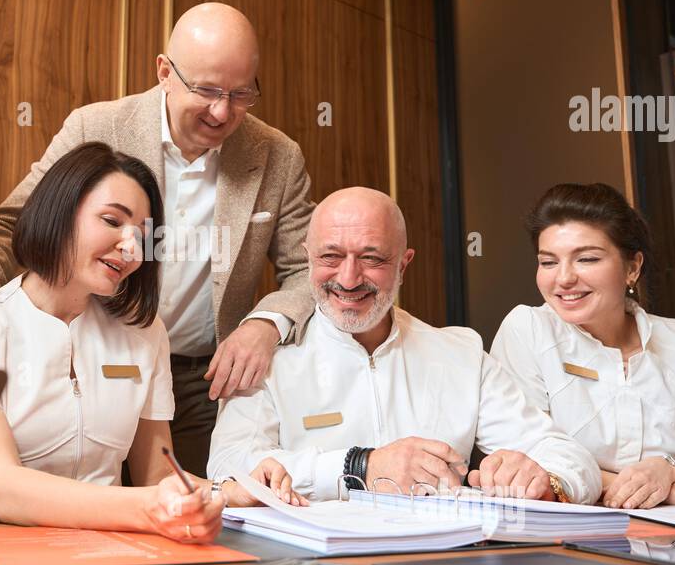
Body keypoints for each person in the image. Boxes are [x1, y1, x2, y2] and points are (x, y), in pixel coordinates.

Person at [0, 2, 315, 477]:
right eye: (207, 90)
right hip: (96, 347)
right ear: (164, 72)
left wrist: (266, 325)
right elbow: (16, 220)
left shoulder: (277, 155)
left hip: (201, 376)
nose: (222, 111)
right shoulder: (97, 126)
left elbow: (308, 268)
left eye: (241, 94)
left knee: (184, 513)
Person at [0, 142, 303, 563]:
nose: (131, 248)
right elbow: (1, 487)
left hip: (117, 550)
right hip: (1, 554)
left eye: (143, 235)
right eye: (112, 221)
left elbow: (158, 475)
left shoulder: (145, 333)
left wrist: (232, 491)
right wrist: (145, 508)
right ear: (59, 211)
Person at [208, 187, 602, 504]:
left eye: (371, 258)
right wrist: (358, 467)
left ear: (404, 265)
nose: (348, 278)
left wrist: (544, 478)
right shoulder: (266, 357)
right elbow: (227, 468)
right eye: (331, 256)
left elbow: (569, 457)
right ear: (307, 260)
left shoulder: (461, 354)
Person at [490, 182, 675, 508]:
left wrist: (668, 467)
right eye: (548, 262)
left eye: (586, 259)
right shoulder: (527, 329)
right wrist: (674, 491)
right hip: (570, 533)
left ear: (632, 267)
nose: (564, 278)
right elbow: (533, 462)